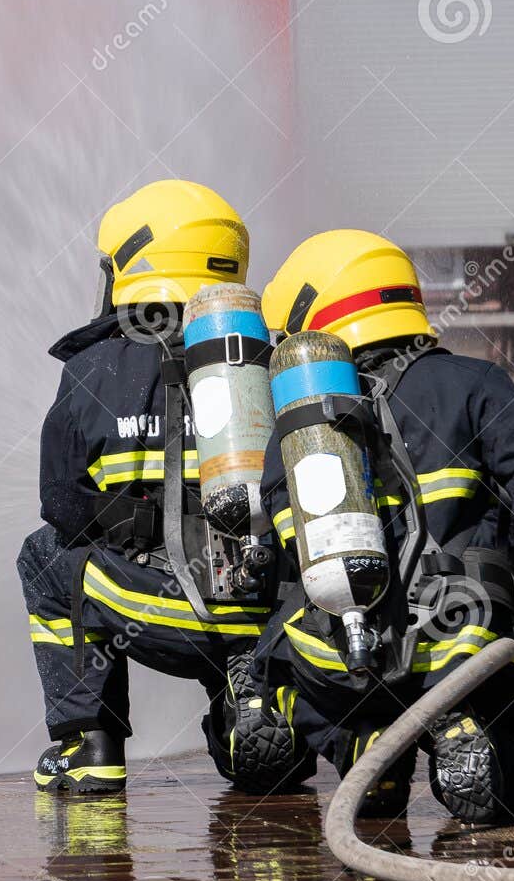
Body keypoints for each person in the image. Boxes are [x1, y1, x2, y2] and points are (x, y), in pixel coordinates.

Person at [255, 229, 514, 824]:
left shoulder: (296, 426)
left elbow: (283, 547)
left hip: (340, 658)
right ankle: (475, 741)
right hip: (459, 638)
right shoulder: (471, 383)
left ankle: (365, 748)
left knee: (286, 652)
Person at [19, 180, 313, 795]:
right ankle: (254, 700)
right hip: (267, 610)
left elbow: (61, 502)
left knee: (45, 558)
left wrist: (129, 525)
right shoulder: (273, 357)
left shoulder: (93, 366)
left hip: (160, 614)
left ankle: (89, 746)